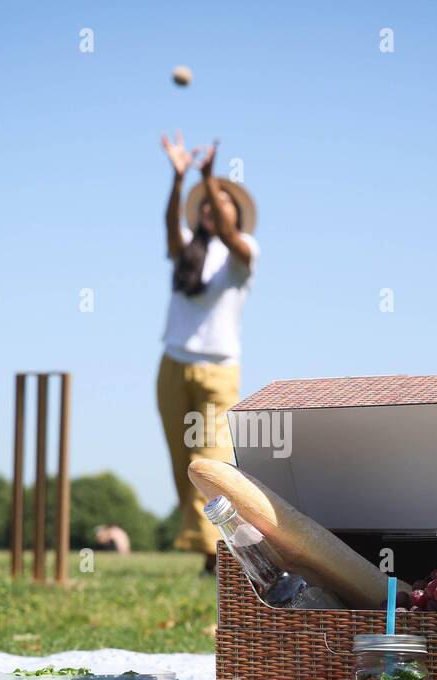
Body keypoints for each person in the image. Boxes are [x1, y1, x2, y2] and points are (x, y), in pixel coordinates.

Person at [156, 132, 259, 574]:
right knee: (183, 464)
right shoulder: (187, 252)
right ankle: (206, 552)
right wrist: (180, 181)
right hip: (173, 367)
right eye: (206, 203)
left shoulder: (242, 253)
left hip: (219, 372)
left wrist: (210, 178)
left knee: (211, 462)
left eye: (221, 203)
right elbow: (169, 225)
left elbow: (233, 233)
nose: (213, 209)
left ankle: (222, 554)